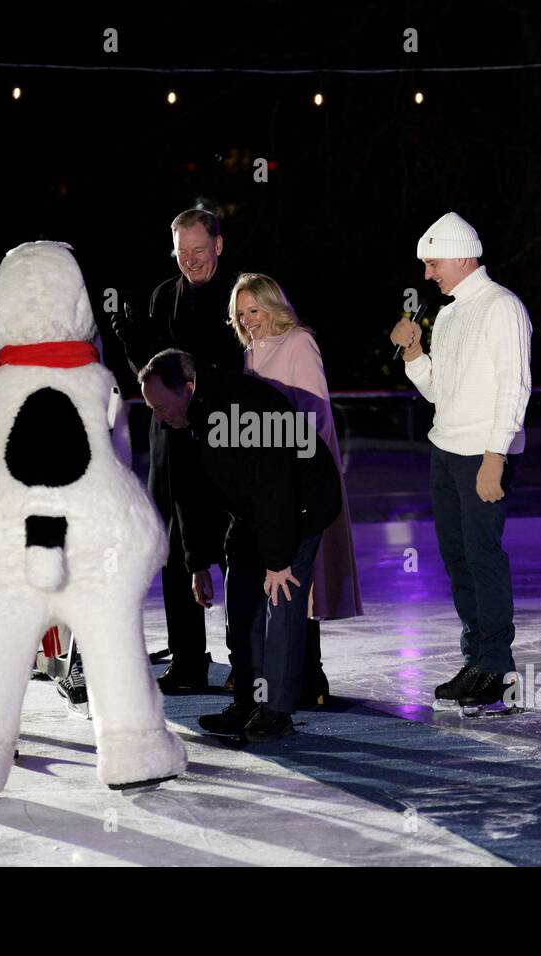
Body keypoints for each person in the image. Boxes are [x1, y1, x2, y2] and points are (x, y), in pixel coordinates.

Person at [138, 349, 342, 742]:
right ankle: (249, 703)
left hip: (301, 504)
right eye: (151, 408)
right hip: (249, 512)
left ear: (189, 388)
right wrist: (197, 563)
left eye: (161, 406)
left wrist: (279, 560)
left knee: (280, 599)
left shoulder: (244, 406)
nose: (157, 416)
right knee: (241, 598)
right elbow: (190, 496)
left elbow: (276, 486)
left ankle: (276, 711)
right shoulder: (180, 419)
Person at [390, 212, 532, 710]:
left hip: (481, 455)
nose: (428, 274)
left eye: (432, 263)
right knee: (457, 559)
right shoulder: (448, 314)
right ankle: (477, 660)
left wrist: (495, 457)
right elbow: (439, 393)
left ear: (461, 255)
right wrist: (413, 354)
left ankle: (497, 668)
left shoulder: (501, 307)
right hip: (446, 450)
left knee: (482, 556)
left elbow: (515, 387)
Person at [109, 210, 241, 693]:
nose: (190, 261)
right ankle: (188, 658)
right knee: (173, 548)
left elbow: (223, 367)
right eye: (181, 253)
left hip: (221, 439)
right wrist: (134, 348)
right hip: (169, 443)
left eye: (199, 251)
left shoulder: (238, 298)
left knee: (230, 550)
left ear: (219, 246)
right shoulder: (165, 295)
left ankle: (245, 661)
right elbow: (150, 378)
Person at [227, 273, 362, 707]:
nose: (249, 320)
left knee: (300, 578)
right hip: (266, 487)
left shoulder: (299, 343)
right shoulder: (249, 353)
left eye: (255, 310)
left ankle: (309, 677)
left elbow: (315, 413)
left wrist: (293, 469)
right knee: (279, 581)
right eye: (242, 312)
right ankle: (278, 677)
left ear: (273, 308)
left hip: (303, 480)